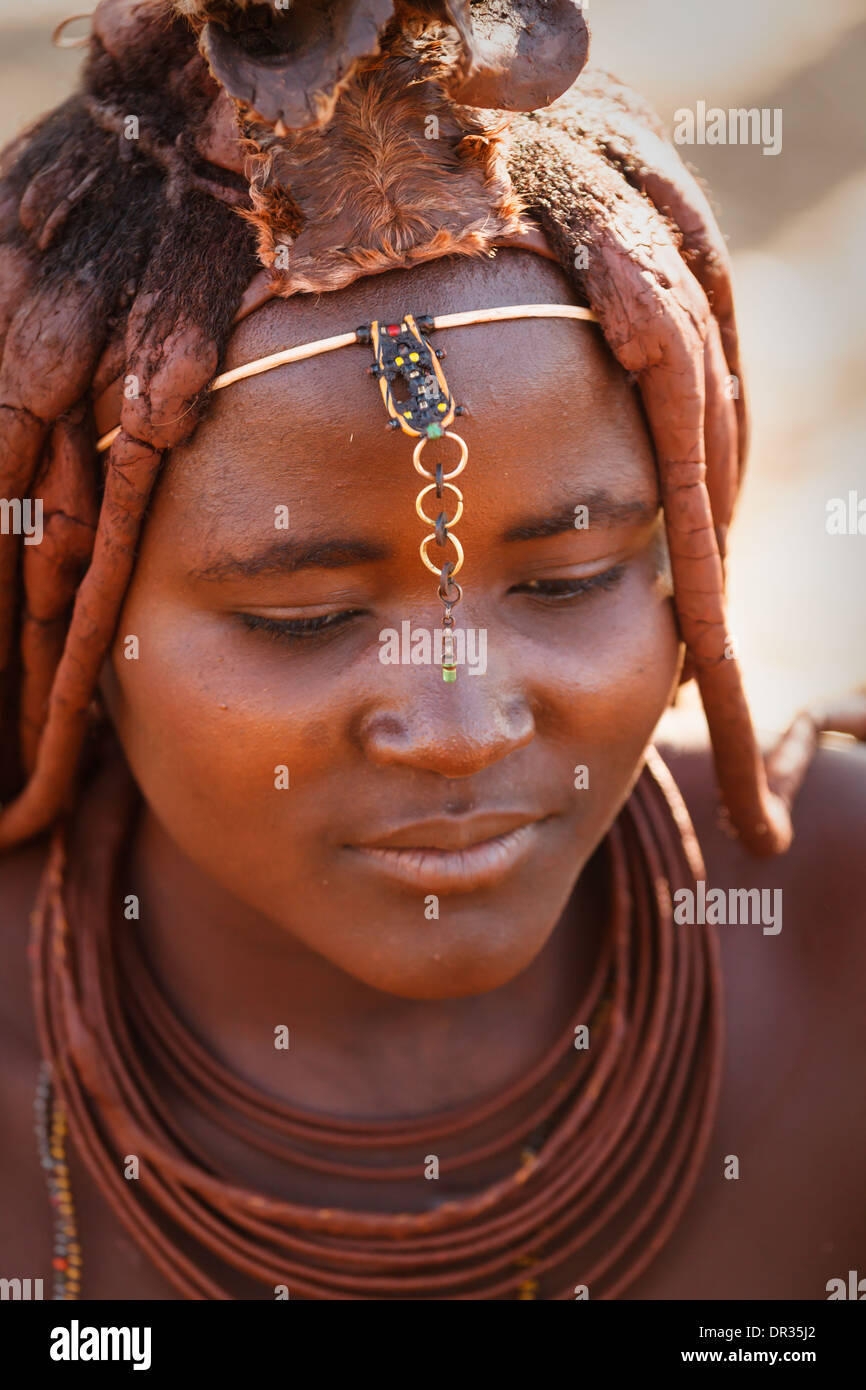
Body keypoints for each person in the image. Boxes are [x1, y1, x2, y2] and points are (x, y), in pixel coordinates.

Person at [0, 0, 863, 1300]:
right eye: (305, 617)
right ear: (75, 606)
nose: (462, 727)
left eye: (568, 582)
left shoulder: (840, 946)